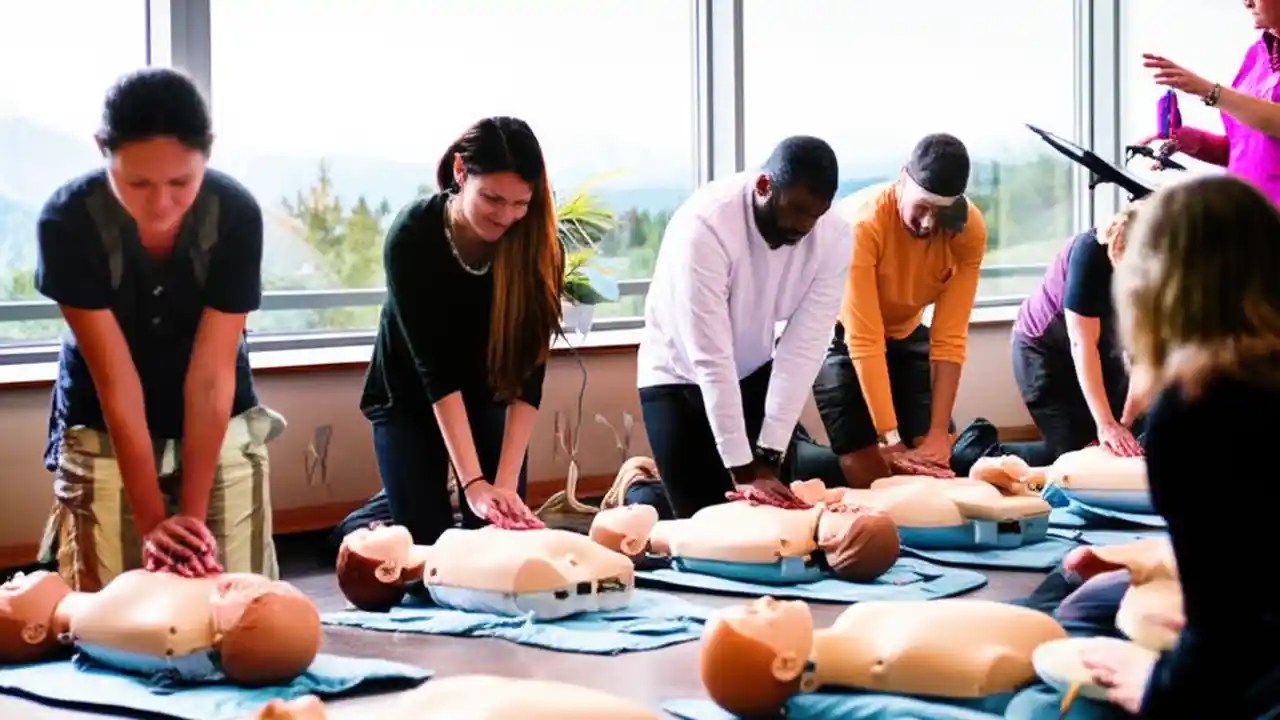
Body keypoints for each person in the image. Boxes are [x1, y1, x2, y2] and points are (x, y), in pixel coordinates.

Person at [33, 67, 282, 592]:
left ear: (207, 155)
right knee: (114, 609)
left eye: (181, 182)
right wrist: (152, 524)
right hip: (102, 417)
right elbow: (115, 381)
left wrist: (188, 524)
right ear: (104, 150)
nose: (162, 204)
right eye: (138, 183)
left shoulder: (234, 214)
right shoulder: (67, 221)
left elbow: (212, 377)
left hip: (218, 408)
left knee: (237, 601)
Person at [1077, 175, 1280, 718]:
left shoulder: (1197, 409)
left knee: (1043, 691)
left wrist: (1156, 682)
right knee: (1094, 602)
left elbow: (1225, 643)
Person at [349, 117, 558, 547]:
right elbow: (435, 372)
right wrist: (472, 483)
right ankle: (376, 518)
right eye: (492, 199)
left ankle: (412, 496)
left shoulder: (537, 243)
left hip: (487, 391)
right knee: (427, 550)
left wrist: (501, 487)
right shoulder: (413, 234)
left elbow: (529, 378)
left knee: (500, 538)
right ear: (461, 173)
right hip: (409, 393)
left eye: (520, 203)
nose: (505, 216)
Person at [635, 136, 850, 519]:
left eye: (814, 215)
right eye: (797, 210)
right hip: (677, 376)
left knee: (762, 522)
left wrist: (768, 455)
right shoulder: (706, 226)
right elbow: (711, 358)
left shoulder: (832, 238)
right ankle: (639, 492)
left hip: (751, 371)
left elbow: (803, 349)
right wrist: (743, 469)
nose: (803, 226)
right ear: (765, 186)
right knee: (703, 526)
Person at [812, 133, 988, 487]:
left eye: (942, 213)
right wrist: (888, 440)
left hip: (905, 331)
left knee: (934, 466)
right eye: (922, 206)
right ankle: (809, 458)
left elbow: (949, 338)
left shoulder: (967, 230)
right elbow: (864, 339)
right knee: (875, 477)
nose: (928, 224)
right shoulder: (863, 225)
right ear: (902, 179)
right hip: (839, 335)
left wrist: (939, 432)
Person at [1008, 204, 1145, 464]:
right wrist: (1106, 424)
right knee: (1072, 453)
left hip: (1102, 347)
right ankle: (973, 451)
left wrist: (1124, 423)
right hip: (1043, 351)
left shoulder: (1160, 274)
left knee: (1125, 443)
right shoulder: (1090, 254)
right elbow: (1082, 343)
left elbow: (1145, 354)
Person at [1136, 0, 1280, 207]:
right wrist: (1192, 141)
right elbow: (1245, 149)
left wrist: (1209, 91)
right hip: (1247, 217)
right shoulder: (1257, 54)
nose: (1247, 3)